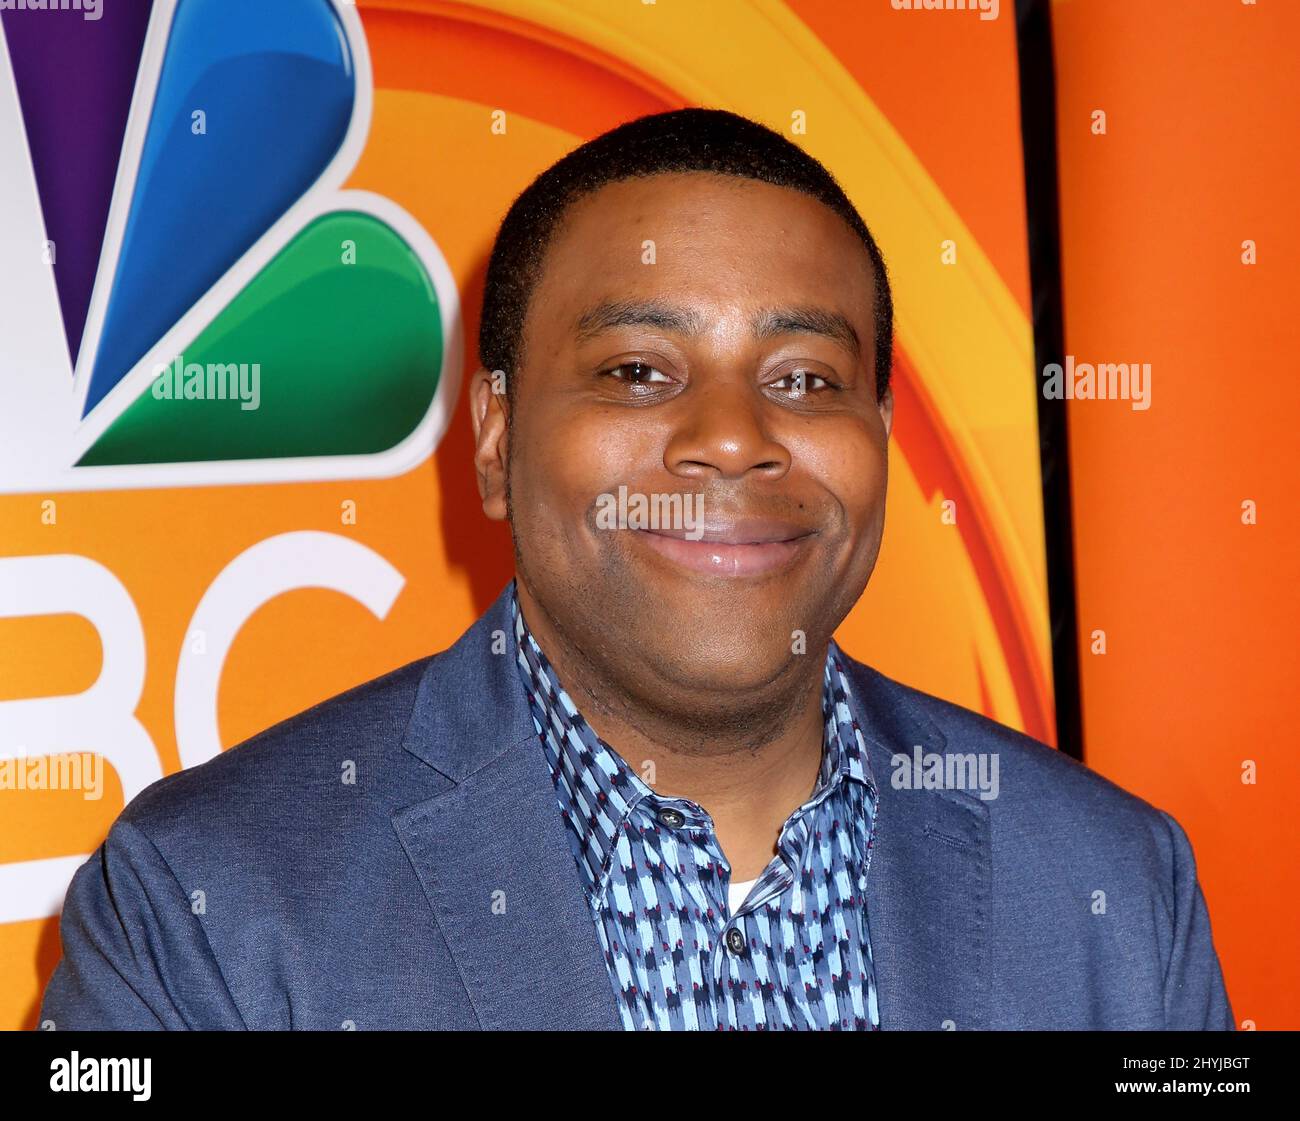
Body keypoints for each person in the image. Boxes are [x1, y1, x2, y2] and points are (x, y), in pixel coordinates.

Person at [40, 108, 1233, 1030]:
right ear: (497, 441)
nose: (730, 434)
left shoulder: (1114, 884)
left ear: (876, 440)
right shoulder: (196, 907)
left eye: (806, 380)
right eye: (638, 370)